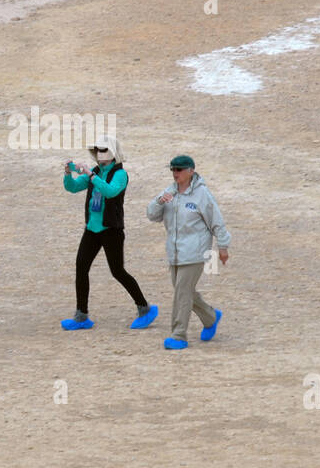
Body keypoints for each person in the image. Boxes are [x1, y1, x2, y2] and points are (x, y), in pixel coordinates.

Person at [60, 136, 158, 331]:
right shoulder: (95, 172)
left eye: (103, 151)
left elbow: (110, 191)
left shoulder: (120, 174)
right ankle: (81, 315)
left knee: (118, 271)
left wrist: (91, 176)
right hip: (92, 229)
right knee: (81, 266)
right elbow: (72, 187)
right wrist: (67, 174)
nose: (99, 156)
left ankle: (144, 307)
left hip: (111, 230)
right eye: (97, 151)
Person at [147, 155, 230, 350]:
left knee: (182, 293)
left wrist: (223, 247)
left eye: (179, 170)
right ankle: (210, 316)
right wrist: (159, 201)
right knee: (184, 292)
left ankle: (178, 335)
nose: (175, 173)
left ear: (191, 171)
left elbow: (216, 221)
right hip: (175, 253)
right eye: (173, 170)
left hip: (195, 252)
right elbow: (152, 215)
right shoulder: (169, 192)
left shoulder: (203, 195)